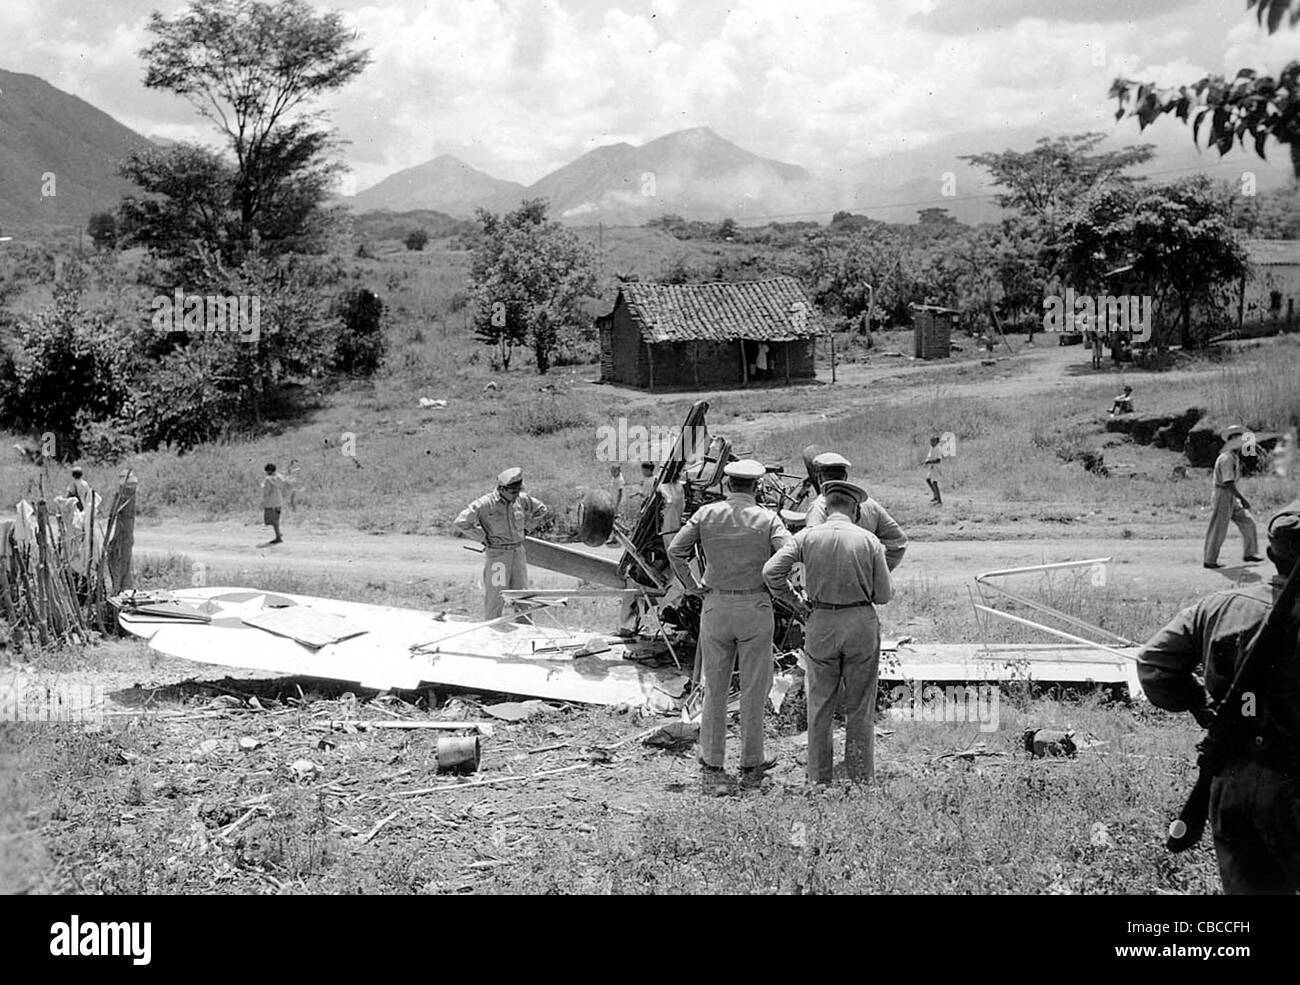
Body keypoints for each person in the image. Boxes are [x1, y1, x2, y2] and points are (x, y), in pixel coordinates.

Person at [1137, 502, 1300, 893]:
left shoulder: (1219, 605)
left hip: (1231, 782)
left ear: (1272, 554)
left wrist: (1200, 705)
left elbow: (1153, 662)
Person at [668, 459, 791, 796]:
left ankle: (712, 757)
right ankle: (752, 759)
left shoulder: (707, 514)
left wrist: (692, 585)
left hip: (716, 604)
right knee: (755, 686)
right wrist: (774, 582)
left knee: (715, 685)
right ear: (757, 487)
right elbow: (790, 553)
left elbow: (676, 550)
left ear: (727, 484)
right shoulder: (768, 519)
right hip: (755, 605)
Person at [764, 480, 893, 787]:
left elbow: (771, 572)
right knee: (860, 705)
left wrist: (796, 601)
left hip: (820, 621)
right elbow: (884, 595)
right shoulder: (869, 540)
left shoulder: (807, 536)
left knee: (820, 703)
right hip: (860, 622)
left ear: (825, 505)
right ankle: (860, 777)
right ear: (856, 508)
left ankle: (819, 780)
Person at [454, 467, 551, 619]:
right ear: (501, 489)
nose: (515, 496)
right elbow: (461, 522)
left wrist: (527, 528)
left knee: (523, 594)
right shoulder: (485, 504)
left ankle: (525, 630)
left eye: (518, 491)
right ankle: (493, 630)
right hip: (498, 557)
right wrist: (483, 537)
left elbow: (541, 509)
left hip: (518, 553)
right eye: (512, 493)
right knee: (496, 595)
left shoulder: (522, 499)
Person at [803, 452, 908, 570]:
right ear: (845, 476)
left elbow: (811, 548)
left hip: (834, 583)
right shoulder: (869, 504)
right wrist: (878, 574)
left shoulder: (819, 506)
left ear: (819, 478)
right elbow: (899, 542)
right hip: (865, 583)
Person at [1203, 425, 1263, 570]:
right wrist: (1242, 498)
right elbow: (1228, 482)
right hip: (1223, 495)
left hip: (1229, 496)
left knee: (1248, 521)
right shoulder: (1226, 458)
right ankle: (1209, 560)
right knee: (1219, 528)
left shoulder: (1233, 457)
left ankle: (1250, 552)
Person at [260, 463, 290, 544]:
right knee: (276, 519)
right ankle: (279, 533)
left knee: (273, 521)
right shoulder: (280, 477)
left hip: (271, 502)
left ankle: (278, 537)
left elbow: (267, 492)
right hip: (279, 501)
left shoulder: (268, 479)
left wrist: (262, 486)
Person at [923, 435, 943, 506]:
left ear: (937, 442)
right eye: (931, 441)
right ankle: (935, 496)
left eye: (933, 441)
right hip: (931, 467)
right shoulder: (932, 448)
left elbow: (938, 460)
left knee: (935, 483)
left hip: (936, 468)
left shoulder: (938, 448)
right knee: (928, 480)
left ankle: (939, 500)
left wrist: (929, 461)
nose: (931, 442)